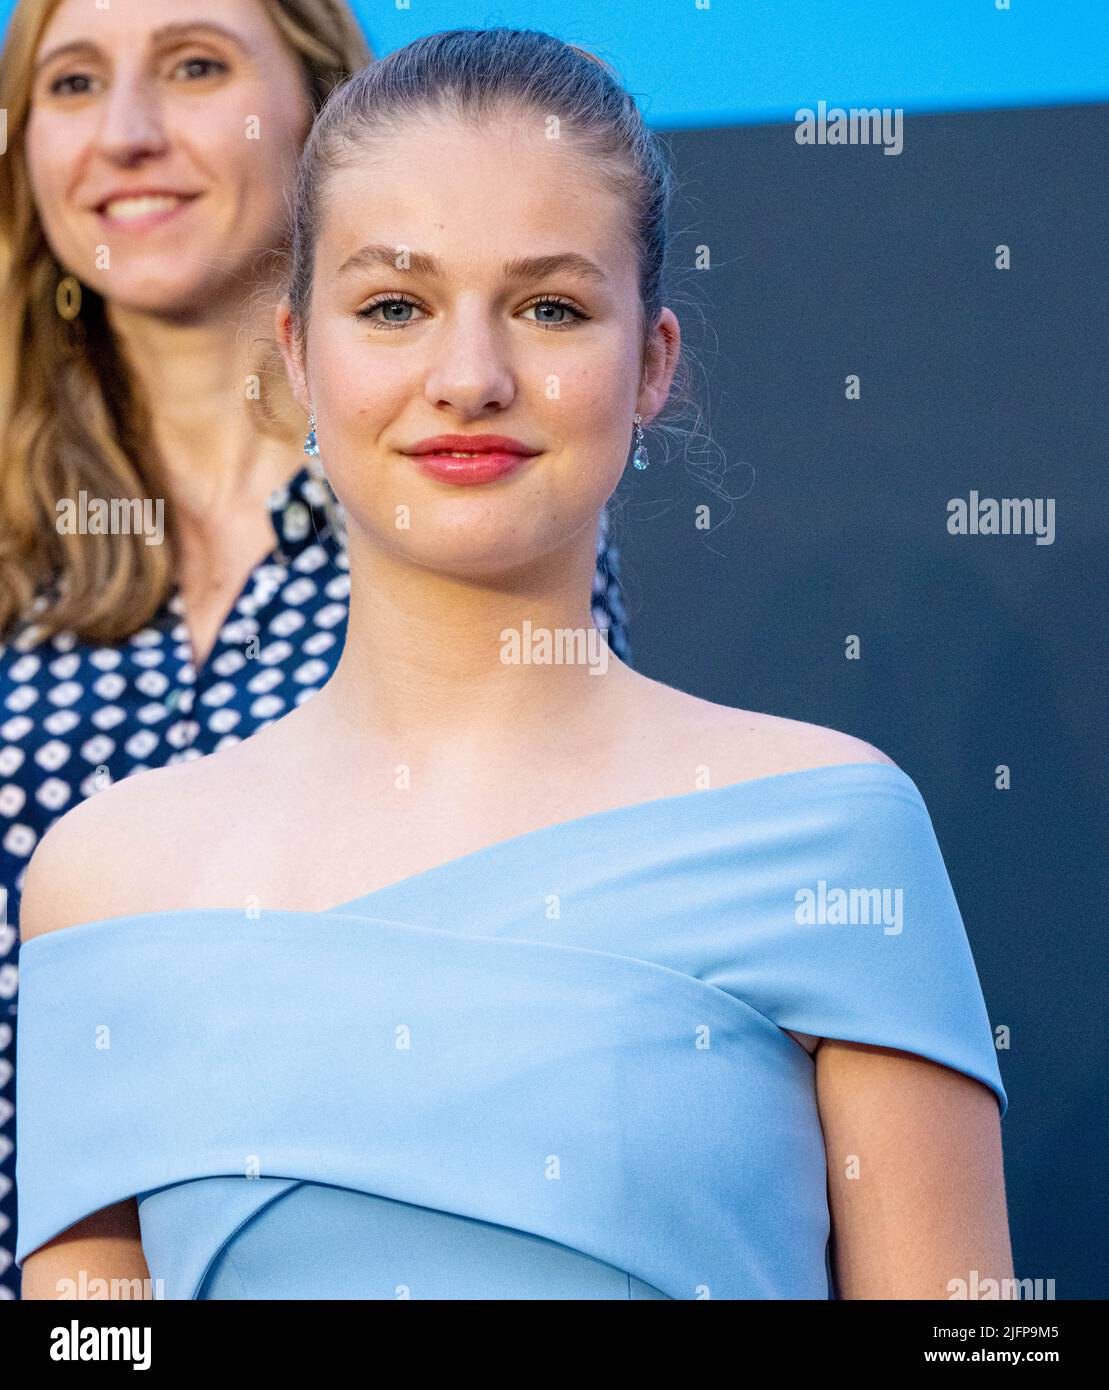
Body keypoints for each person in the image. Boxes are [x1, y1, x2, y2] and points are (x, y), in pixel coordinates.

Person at [14, 26, 1011, 1300]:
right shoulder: (108, 879)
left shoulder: (828, 834)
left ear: (649, 364)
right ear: (299, 356)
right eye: (393, 307)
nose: (468, 377)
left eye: (548, 307)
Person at [0, 1, 628, 1297]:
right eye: (70, 81)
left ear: (325, 116)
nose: (124, 134)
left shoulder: (456, 498)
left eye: (192, 67)